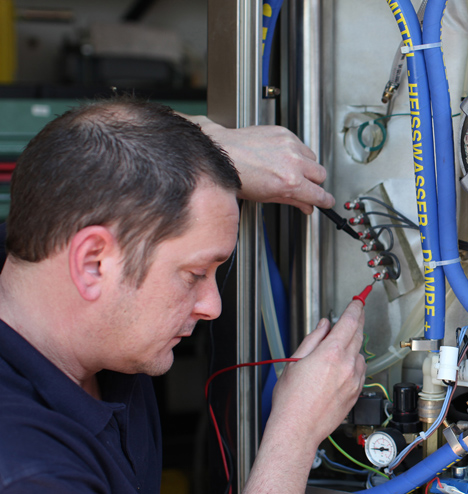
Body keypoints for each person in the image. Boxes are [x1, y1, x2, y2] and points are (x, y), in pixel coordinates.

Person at [0, 97, 366, 494]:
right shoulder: (29, 471)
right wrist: (295, 434)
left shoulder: (37, 257)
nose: (212, 306)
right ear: (92, 263)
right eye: (194, 274)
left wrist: (215, 149)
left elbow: (92, 142)